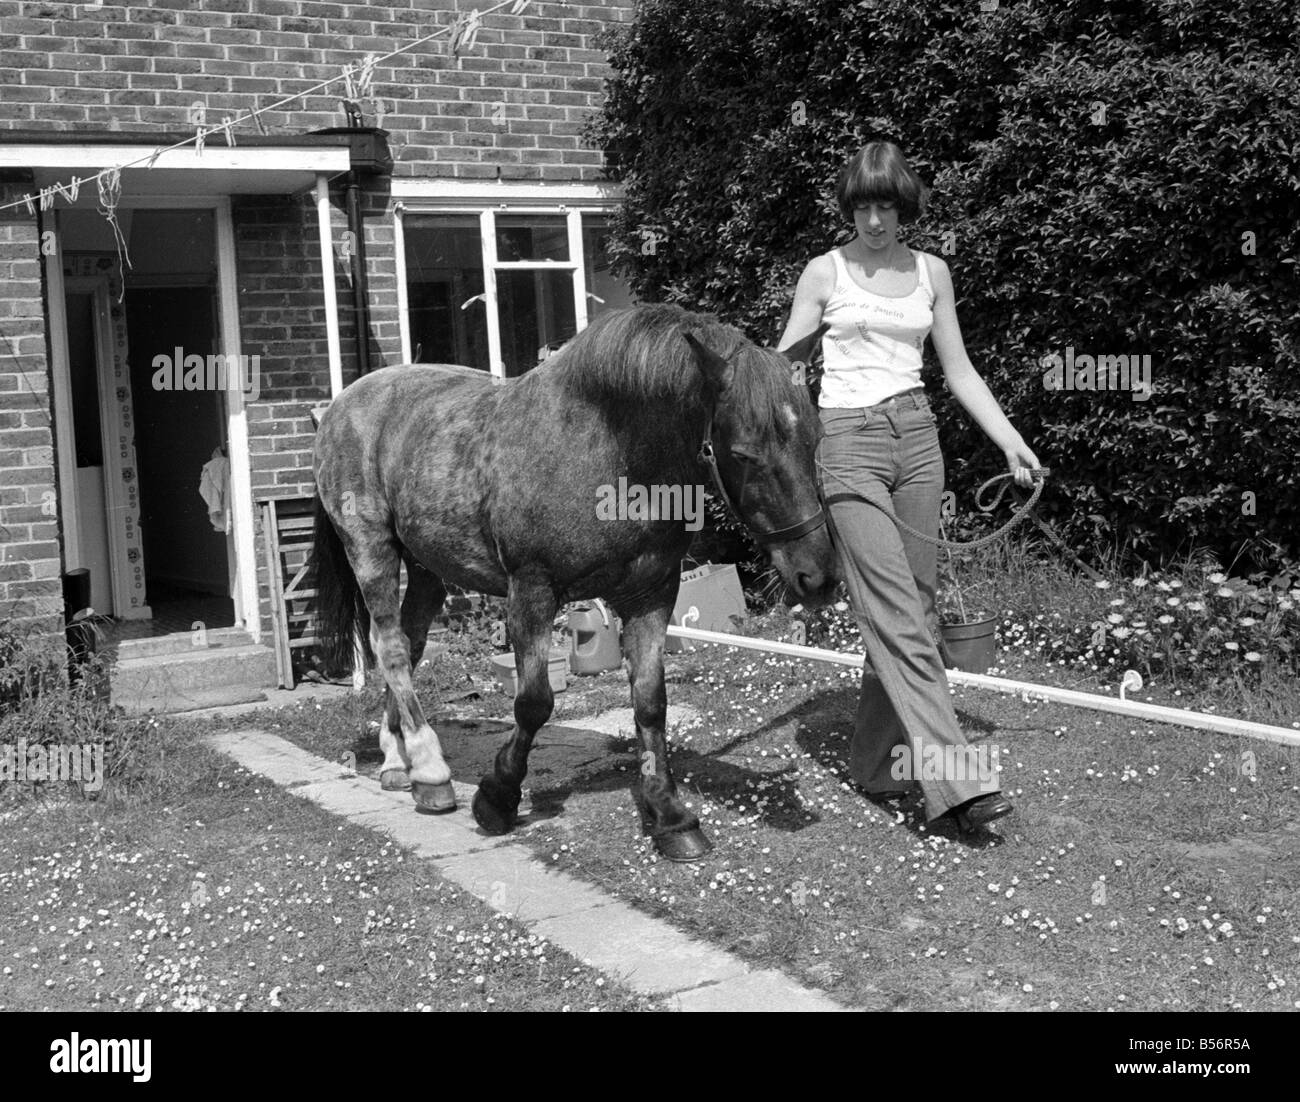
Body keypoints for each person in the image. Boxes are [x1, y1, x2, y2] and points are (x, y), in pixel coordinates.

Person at [777, 140, 1041, 833]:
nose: (872, 221)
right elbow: (781, 364)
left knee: (915, 614)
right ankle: (954, 782)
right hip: (848, 445)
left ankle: (873, 765)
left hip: (918, 441)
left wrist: (1010, 441)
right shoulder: (824, 273)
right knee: (895, 611)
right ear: (850, 210)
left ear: (904, 207)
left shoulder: (932, 273)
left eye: (885, 206)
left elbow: (959, 370)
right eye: (861, 207)